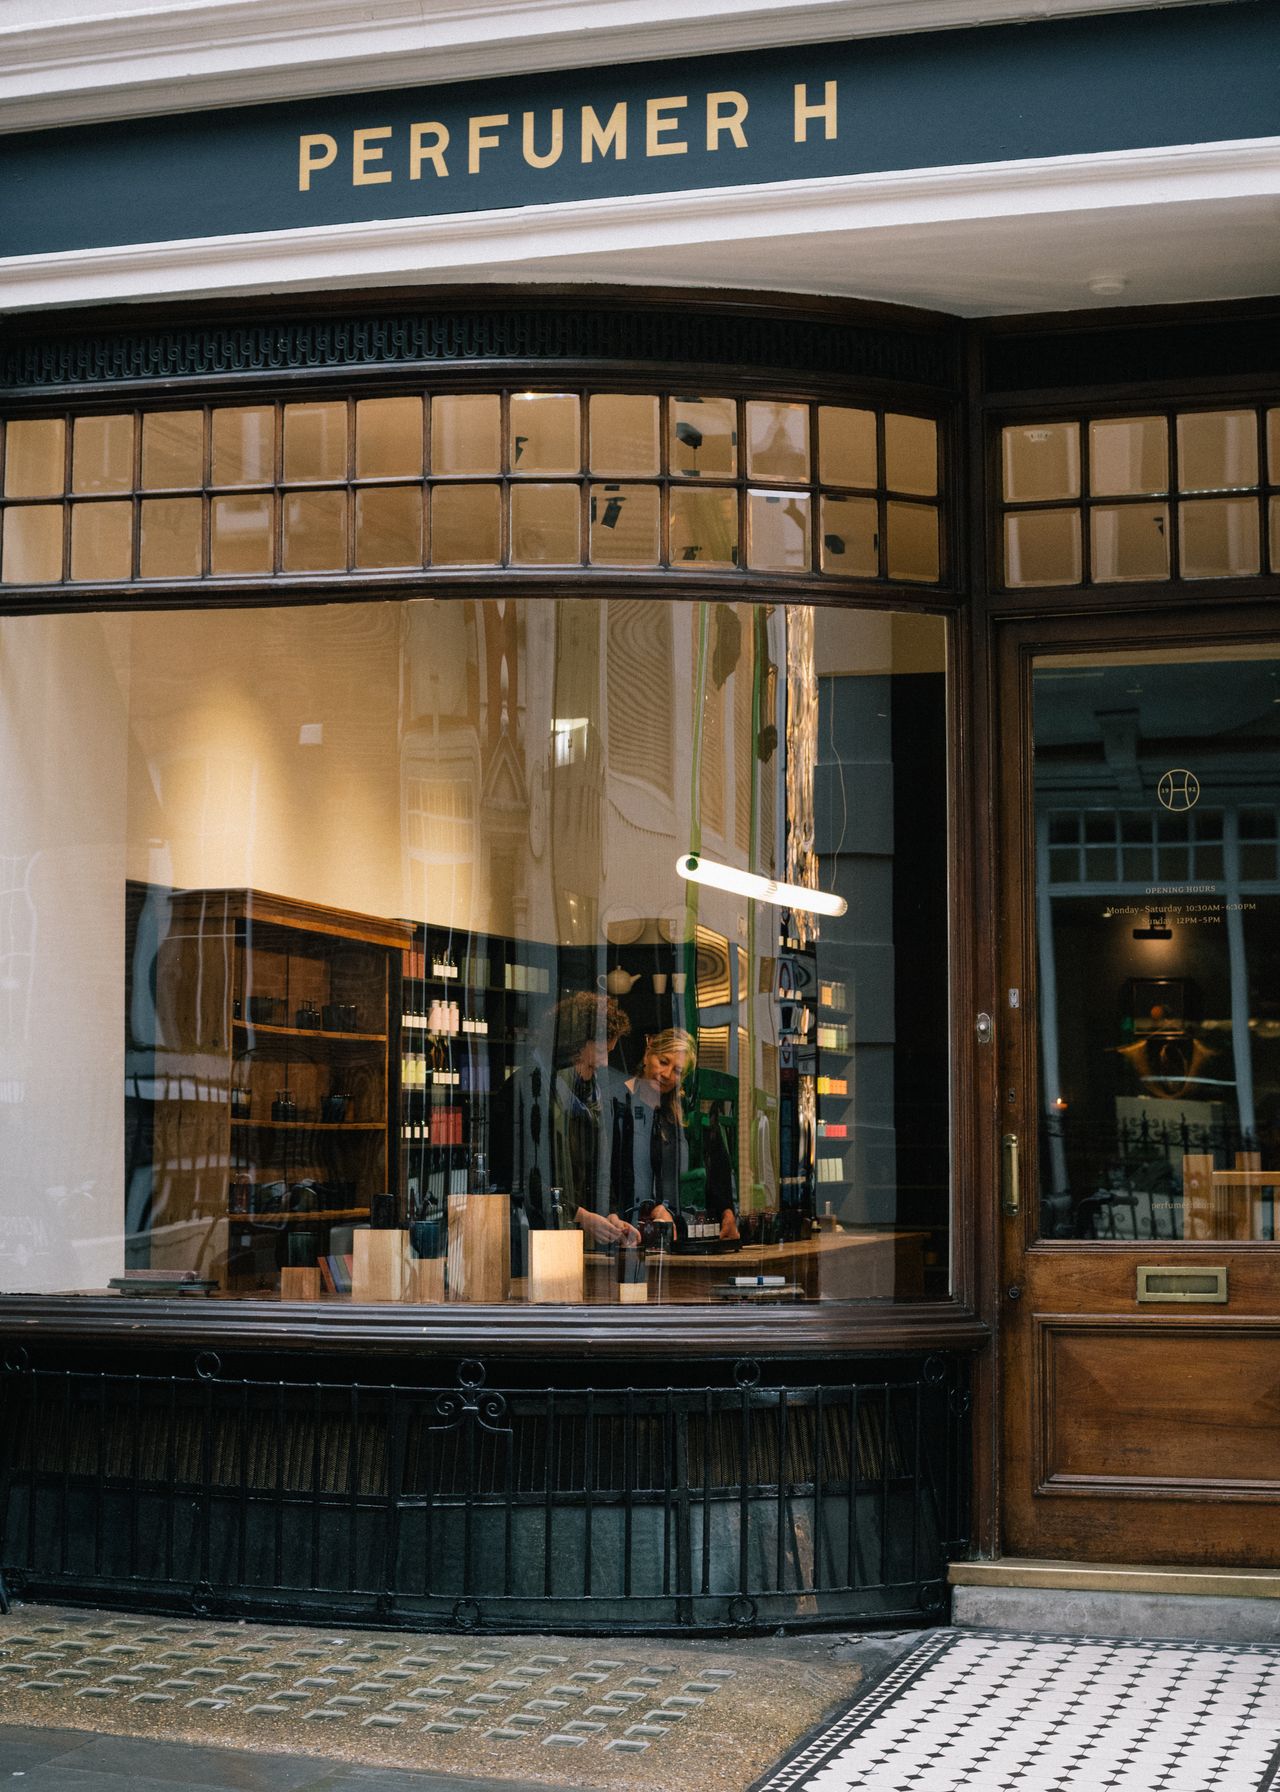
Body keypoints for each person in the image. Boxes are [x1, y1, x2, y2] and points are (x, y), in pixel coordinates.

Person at [614, 1027, 698, 1235]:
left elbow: (681, 1181)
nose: (666, 1074)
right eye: (663, 1062)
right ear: (648, 1053)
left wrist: (666, 1208)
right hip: (618, 1227)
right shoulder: (616, 1099)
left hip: (659, 1233)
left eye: (677, 1071)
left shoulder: (676, 1117)